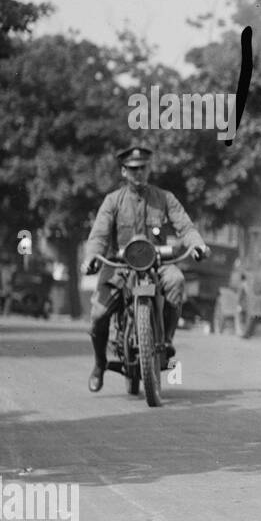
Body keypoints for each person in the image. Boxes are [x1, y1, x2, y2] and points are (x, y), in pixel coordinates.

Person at [81, 146, 209, 392]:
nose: (138, 173)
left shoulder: (164, 198)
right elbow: (98, 235)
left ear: (149, 169)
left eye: (143, 168)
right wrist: (91, 258)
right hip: (120, 266)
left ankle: (166, 340)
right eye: (133, 169)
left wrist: (197, 245)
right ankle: (99, 363)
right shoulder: (113, 201)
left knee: (176, 281)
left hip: (158, 264)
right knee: (98, 315)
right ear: (124, 171)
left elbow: (185, 226)